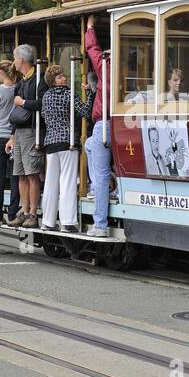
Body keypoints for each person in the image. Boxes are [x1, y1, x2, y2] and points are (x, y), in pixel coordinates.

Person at [38, 65, 91, 231]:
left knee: (51, 183)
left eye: (64, 76)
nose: (65, 78)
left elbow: (45, 116)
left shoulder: (46, 96)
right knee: (67, 181)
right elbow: (85, 111)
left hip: (51, 144)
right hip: (67, 142)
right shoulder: (68, 94)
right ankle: (67, 221)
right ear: (54, 81)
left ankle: (48, 221)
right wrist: (89, 93)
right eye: (61, 77)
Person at [7, 44, 43, 228]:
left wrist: (24, 102)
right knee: (20, 173)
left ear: (21, 60)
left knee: (32, 174)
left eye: (15, 58)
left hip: (32, 131)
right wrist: (11, 135)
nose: (13, 62)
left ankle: (33, 213)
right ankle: (24, 208)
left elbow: (42, 103)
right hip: (20, 132)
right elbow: (15, 111)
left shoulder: (39, 80)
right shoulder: (21, 83)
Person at [82, 17, 111, 238]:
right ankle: (100, 189)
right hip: (118, 126)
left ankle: (100, 224)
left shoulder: (107, 68)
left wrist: (90, 27)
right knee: (88, 145)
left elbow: (92, 49)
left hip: (104, 125)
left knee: (100, 176)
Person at [0, 60, 17, 224]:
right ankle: (12, 213)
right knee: (14, 176)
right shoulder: (18, 88)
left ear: (1, 72)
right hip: (14, 136)